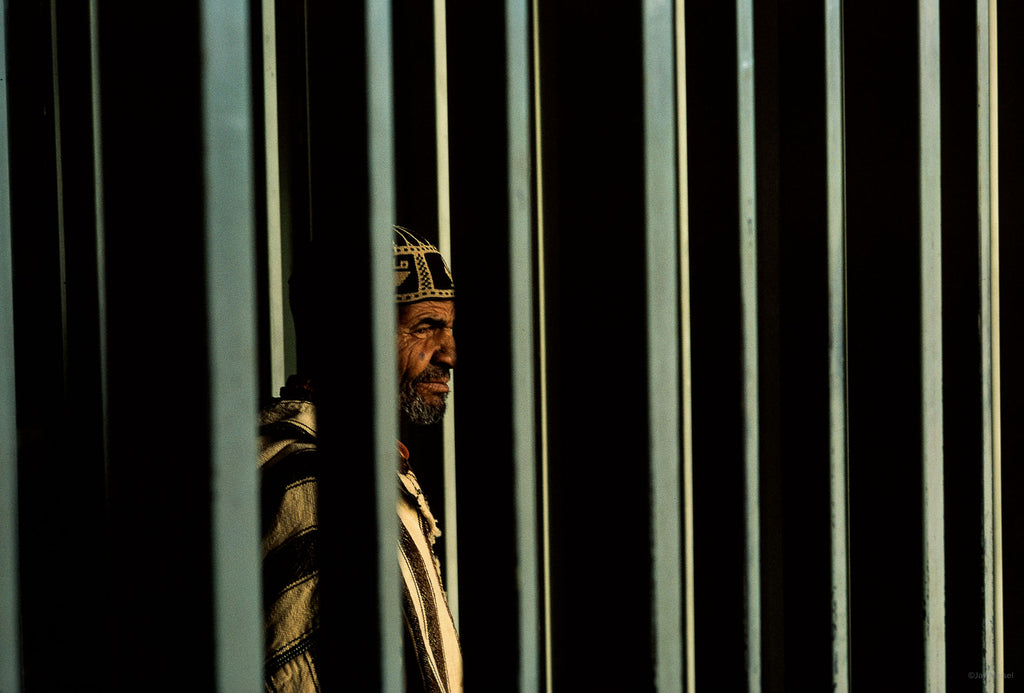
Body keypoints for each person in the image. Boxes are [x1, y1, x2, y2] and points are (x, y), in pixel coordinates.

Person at [257, 226, 462, 692]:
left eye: (449, 327)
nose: (449, 354)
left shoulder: (364, 465)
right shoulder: (311, 481)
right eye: (425, 327)